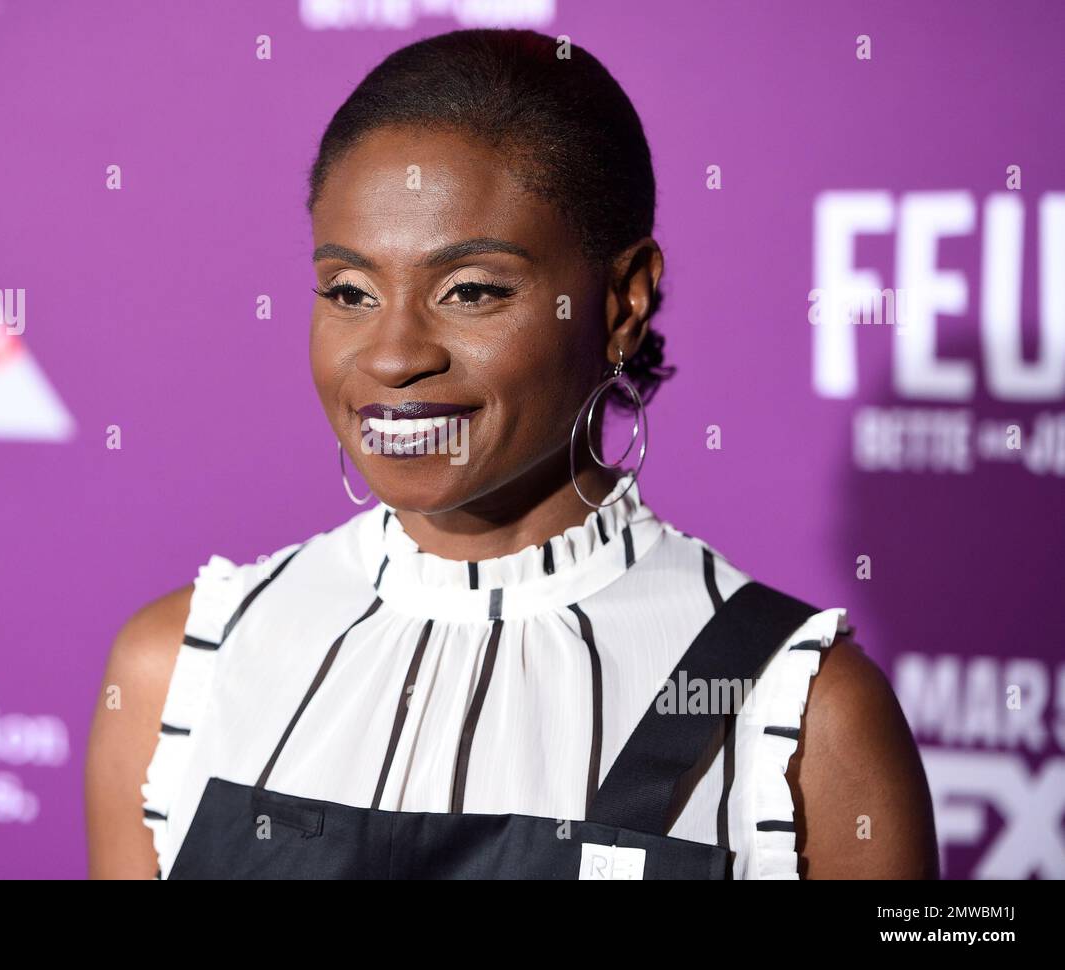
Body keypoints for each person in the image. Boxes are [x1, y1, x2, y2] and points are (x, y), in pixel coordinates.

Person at [86, 28, 938, 880]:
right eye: (350, 291)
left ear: (623, 302)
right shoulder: (179, 669)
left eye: (471, 291)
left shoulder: (802, 714)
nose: (391, 355)